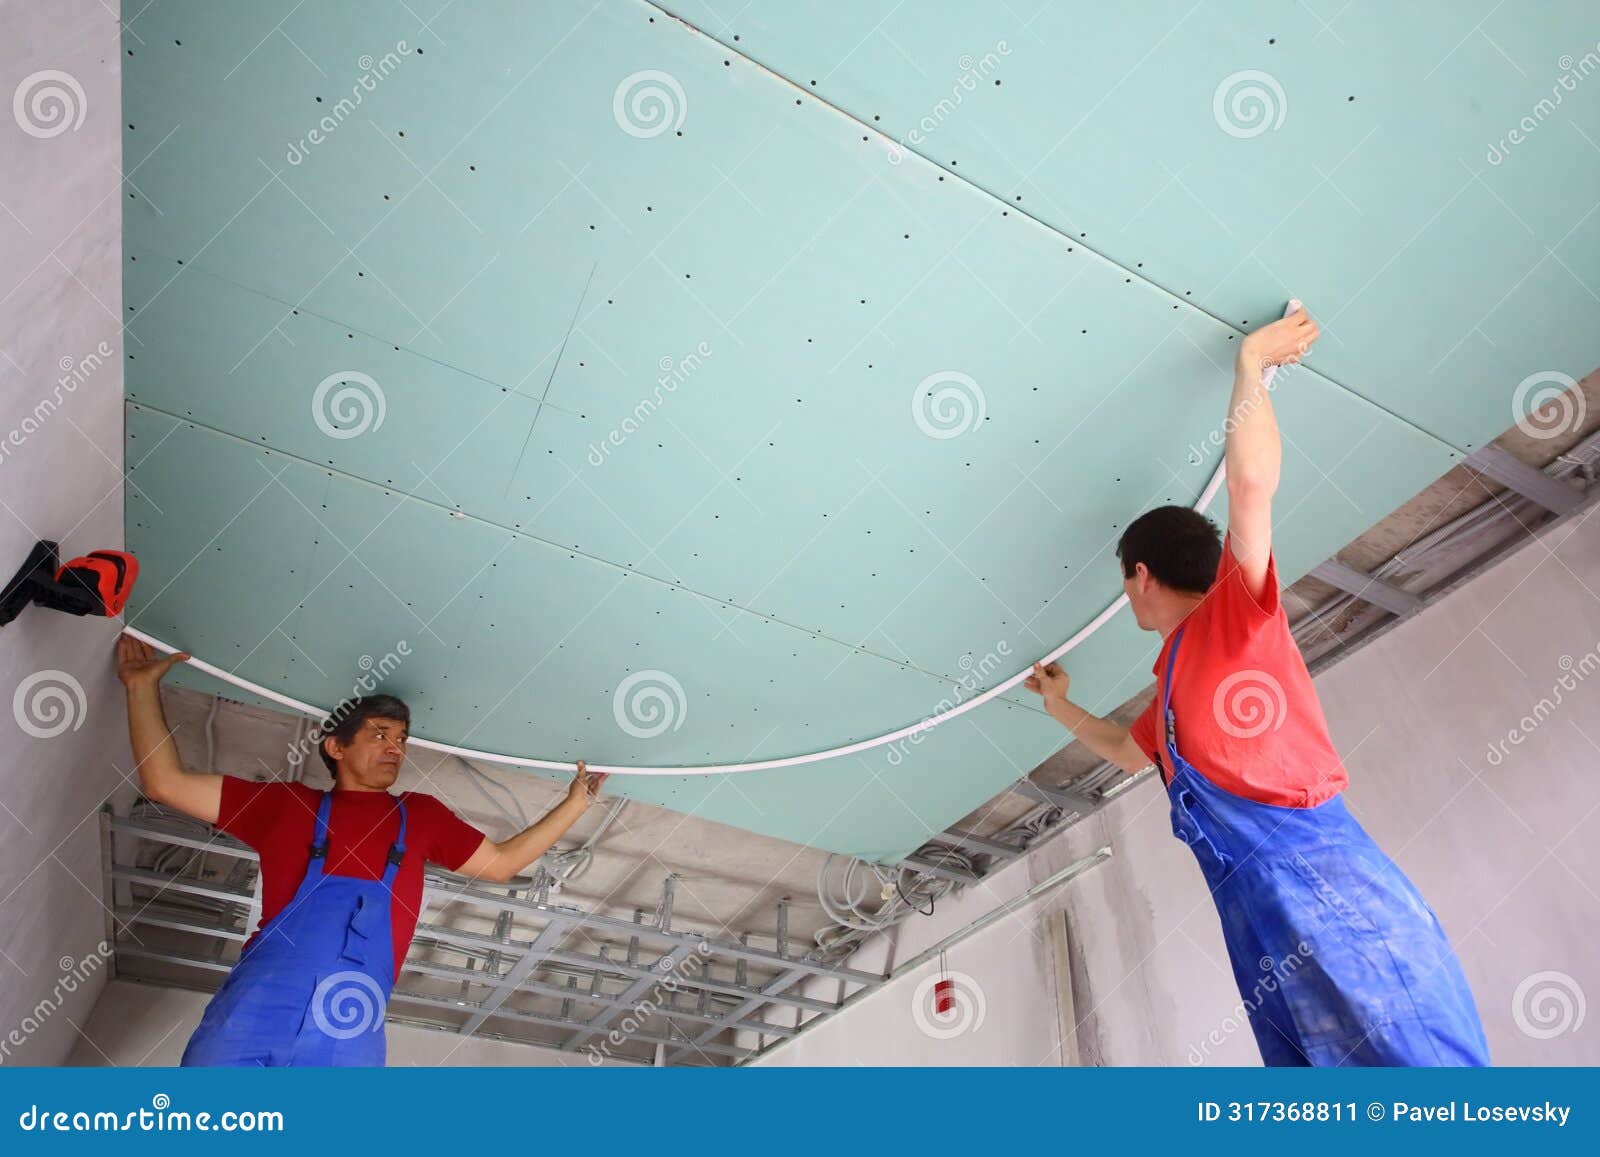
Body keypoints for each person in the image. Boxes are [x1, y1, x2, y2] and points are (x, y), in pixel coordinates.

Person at [1023, 304, 1489, 1066]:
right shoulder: (1169, 694)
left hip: (1331, 889)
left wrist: (1249, 368)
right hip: (1259, 919)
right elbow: (1125, 750)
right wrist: (1058, 703)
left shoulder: (1234, 618)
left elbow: (1248, 488)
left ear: (1140, 577)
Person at [115, 632, 607, 1067]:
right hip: (256, 1009)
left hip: (348, 1030)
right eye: (380, 734)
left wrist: (577, 804)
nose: (396, 746)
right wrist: (141, 687)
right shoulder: (287, 805)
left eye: (401, 739)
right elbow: (164, 783)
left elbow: (502, 865)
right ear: (336, 747)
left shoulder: (421, 817)